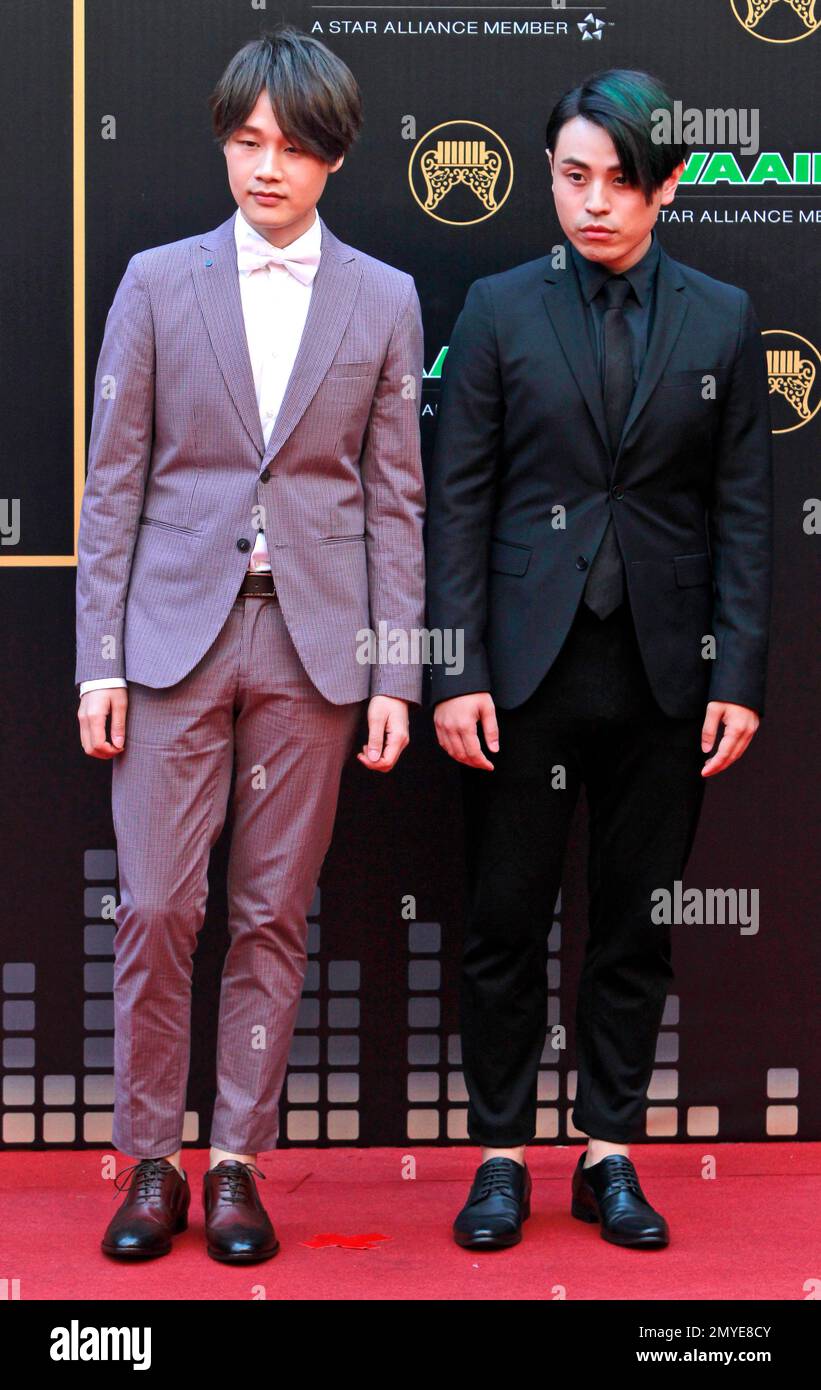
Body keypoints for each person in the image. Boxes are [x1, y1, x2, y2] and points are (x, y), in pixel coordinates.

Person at [76, 26, 425, 1262]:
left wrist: (395, 671)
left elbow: (394, 501)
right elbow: (110, 484)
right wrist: (99, 660)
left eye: (288, 146)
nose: (262, 166)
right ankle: (149, 1164)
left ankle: (235, 1165)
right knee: (159, 909)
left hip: (317, 655)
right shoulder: (156, 283)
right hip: (171, 642)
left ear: (332, 156)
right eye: (244, 140)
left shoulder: (383, 298)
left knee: (272, 912)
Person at [425, 68, 772, 1251]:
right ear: (549, 175)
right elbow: (454, 507)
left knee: (633, 924)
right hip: (519, 675)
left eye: (621, 182)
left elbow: (742, 510)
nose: (593, 203)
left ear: (667, 185)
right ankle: (501, 1155)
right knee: (503, 919)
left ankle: (609, 1151)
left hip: (667, 674)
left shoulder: (724, 317)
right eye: (573, 177)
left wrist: (737, 677)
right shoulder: (494, 308)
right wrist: (451, 668)